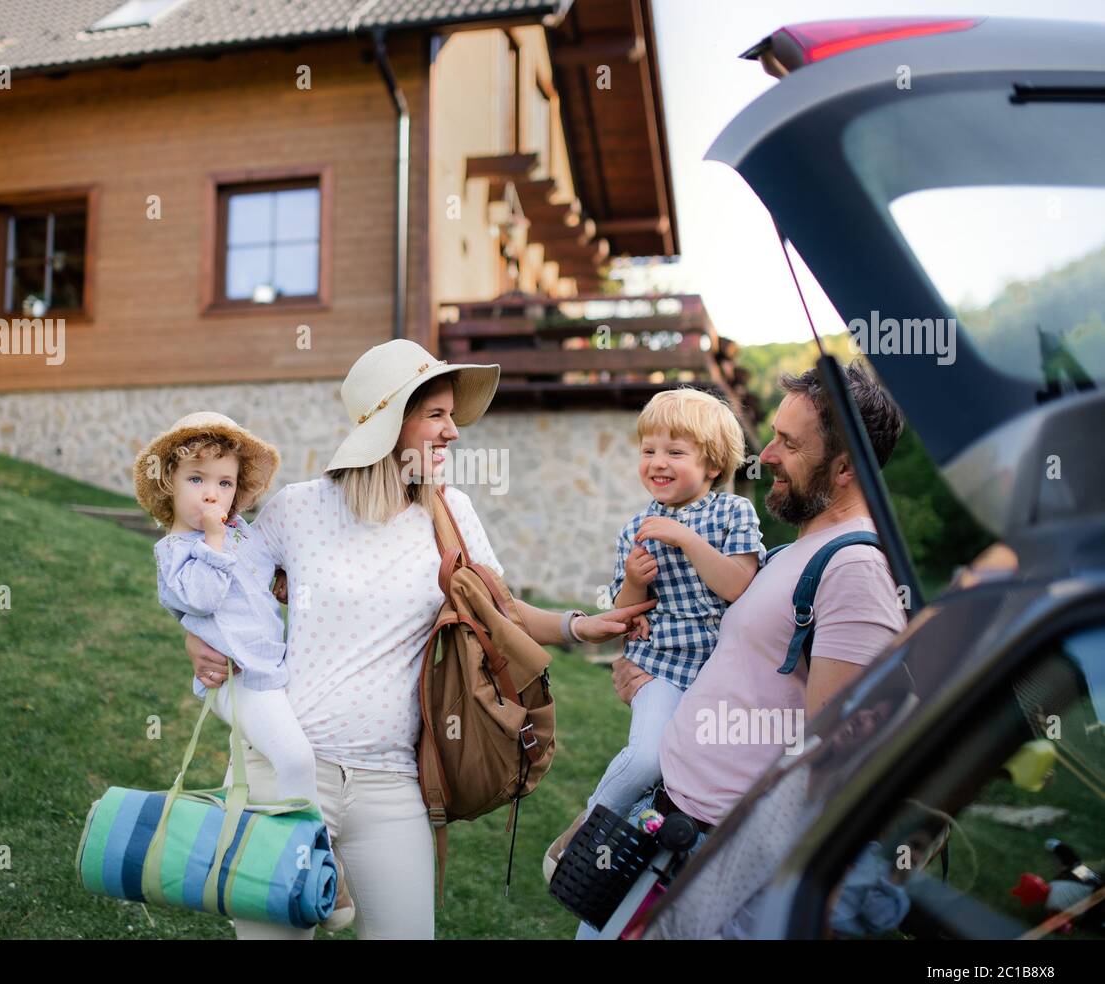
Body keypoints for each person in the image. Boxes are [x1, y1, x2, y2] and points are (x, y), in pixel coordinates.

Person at [182, 338, 654, 940]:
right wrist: (193, 638)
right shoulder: (297, 510)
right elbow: (214, 588)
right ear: (389, 421)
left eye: (452, 416)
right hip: (285, 775)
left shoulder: (449, 513)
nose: (453, 432)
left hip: (394, 785)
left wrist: (579, 624)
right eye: (436, 414)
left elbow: (503, 612)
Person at [590, 362, 909, 939]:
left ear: (844, 467)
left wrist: (724, 879)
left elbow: (833, 754)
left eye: (788, 442)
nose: (764, 454)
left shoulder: (856, 569)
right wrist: (651, 679)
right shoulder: (793, 555)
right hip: (668, 829)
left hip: (719, 865)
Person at [132, 411, 355, 930]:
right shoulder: (176, 551)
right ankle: (323, 866)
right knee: (296, 761)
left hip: (270, 673)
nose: (213, 493)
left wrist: (277, 577)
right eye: (197, 479)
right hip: (236, 681)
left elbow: (261, 575)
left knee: (269, 776)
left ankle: (269, 865)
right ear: (169, 483)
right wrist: (211, 539)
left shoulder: (239, 534)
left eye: (225, 482)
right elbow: (204, 598)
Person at [543, 387, 763, 880]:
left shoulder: (733, 515)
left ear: (712, 466)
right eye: (649, 450)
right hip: (660, 667)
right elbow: (626, 614)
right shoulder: (636, 528)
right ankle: (588, 824)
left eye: (675, 452)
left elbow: (738, 585)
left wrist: (686, 538)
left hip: (720, 675)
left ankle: (650, 862)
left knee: (687, 781)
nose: (657, 462)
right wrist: (634, 582)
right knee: (647, 757)